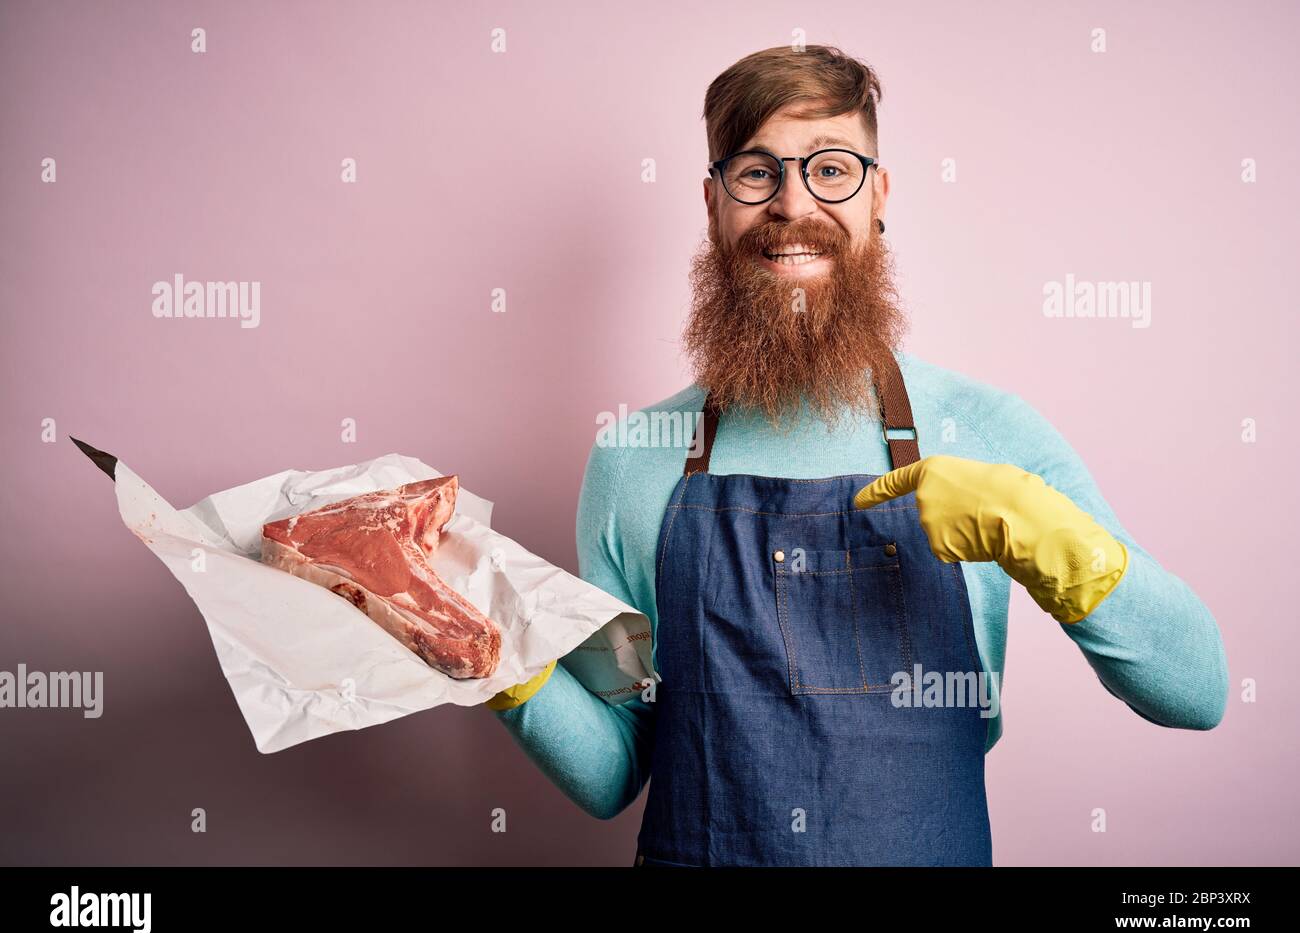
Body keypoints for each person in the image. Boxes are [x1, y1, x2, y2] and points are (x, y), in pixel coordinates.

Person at [484, 45, 1228, 867]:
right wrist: (495, 650)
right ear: (712, 203)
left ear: (878, 195)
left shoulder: (987, 431)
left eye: (830, 169)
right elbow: (615, 770)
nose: (793, 203)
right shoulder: (633, 459)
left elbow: (1198, 694)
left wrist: (1042, 533)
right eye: (756, 173)